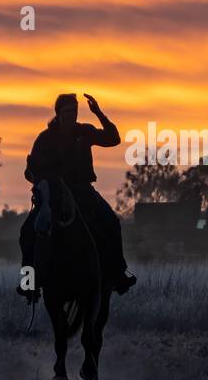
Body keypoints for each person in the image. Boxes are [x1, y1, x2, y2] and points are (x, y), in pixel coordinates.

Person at [17, 93, 136, 301]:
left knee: (111, 222)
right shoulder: (45, 138)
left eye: (74, 111)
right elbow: (30, 170)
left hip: (84, 192)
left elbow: (113, 139)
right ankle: (28, 283)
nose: (71, 116)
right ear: (58, 113)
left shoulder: (85, 132)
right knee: (27, 232)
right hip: (54, 195)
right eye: (67, 111)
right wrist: (39, 183)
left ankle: (119, 274)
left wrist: (98, 113)